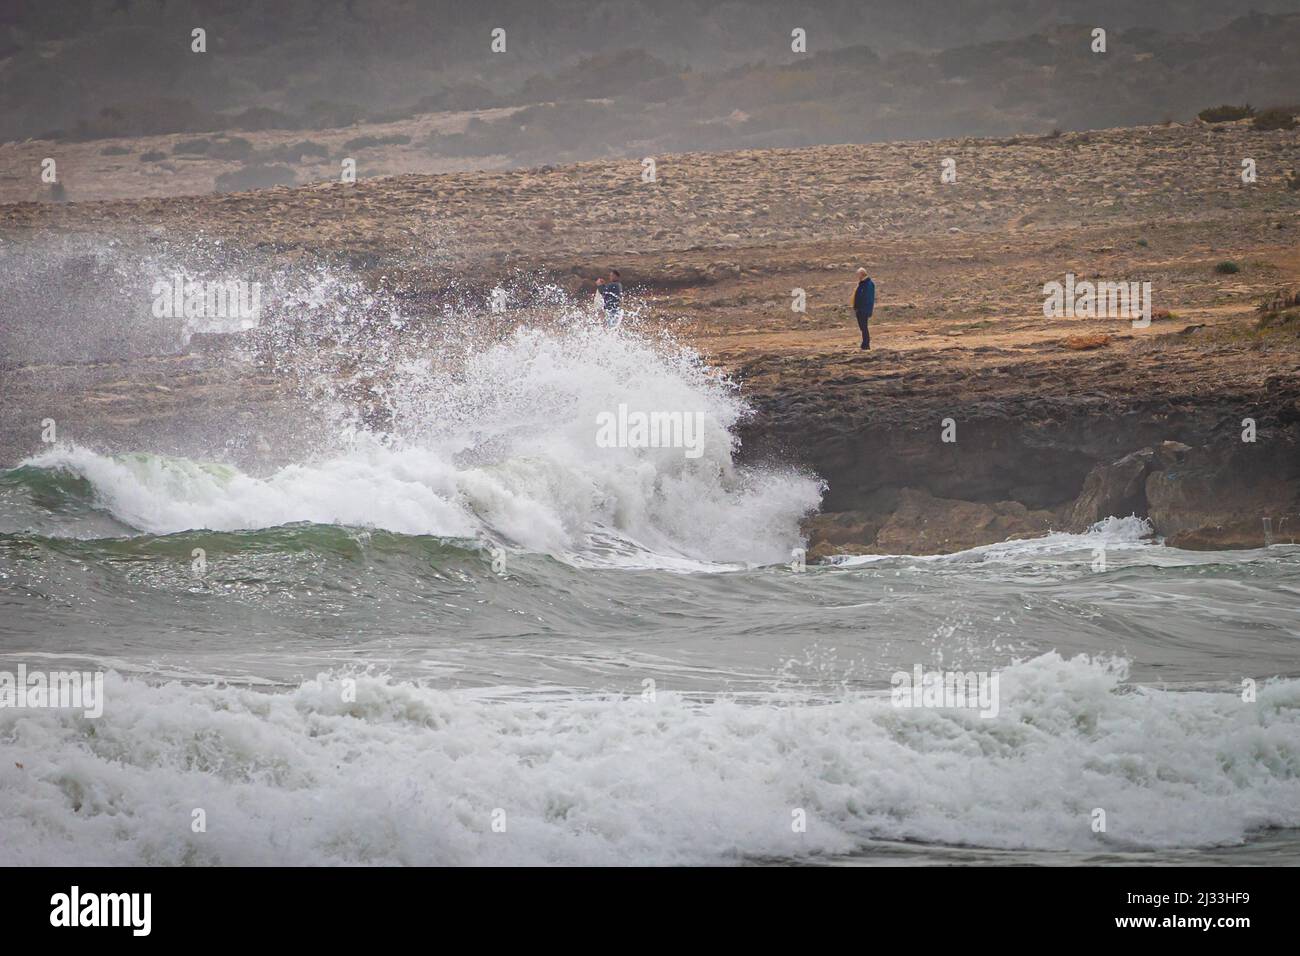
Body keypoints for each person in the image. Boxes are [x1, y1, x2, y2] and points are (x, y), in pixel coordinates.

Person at [853, 267, 875, 350]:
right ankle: (865, 343)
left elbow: (867, 298)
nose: (857, 276)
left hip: (863, 309)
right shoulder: (863, 283)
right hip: (860, 309)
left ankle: (866, 344)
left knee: (864, 327)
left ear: (862, 274)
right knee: (863, 327)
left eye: (858, 274)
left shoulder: (868, 284)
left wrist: (863, 308)